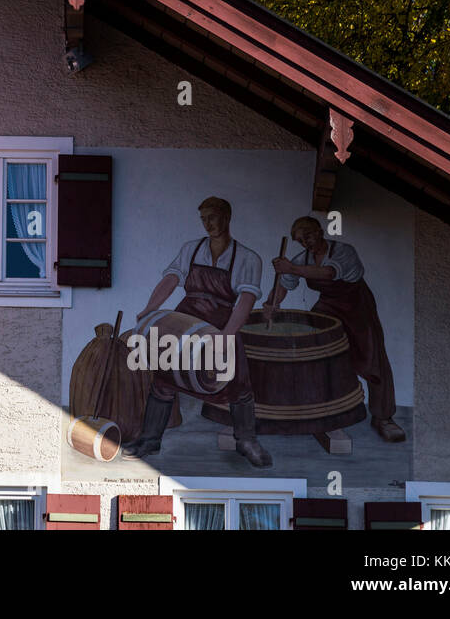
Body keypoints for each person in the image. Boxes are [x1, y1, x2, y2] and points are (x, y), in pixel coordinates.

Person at [122, 196, 272, 467]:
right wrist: (150, 308)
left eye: (212, 217)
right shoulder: (191, 249)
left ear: (226, 217)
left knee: (238, 384)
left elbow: (246, 300)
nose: (207, 224)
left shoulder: (247, 258)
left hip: (221, 324)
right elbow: (171, 279)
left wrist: (226, 336)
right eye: (203, 218)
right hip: (186, 320)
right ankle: (150, 440)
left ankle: (246, 441)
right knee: (164, 380)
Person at [265, 216, 405, 443]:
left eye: (308, 235)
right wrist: (272, 303)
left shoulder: (343, 251)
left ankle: (384, 418)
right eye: (301, 240)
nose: (306, 243)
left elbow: (329, 273)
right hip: (329, 305)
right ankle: (324, 411)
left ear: (320, 231)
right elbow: (284, 284)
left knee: (373, 360)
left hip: (358, 306)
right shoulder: (303, 259)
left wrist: (291, 267)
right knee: (316, 345)